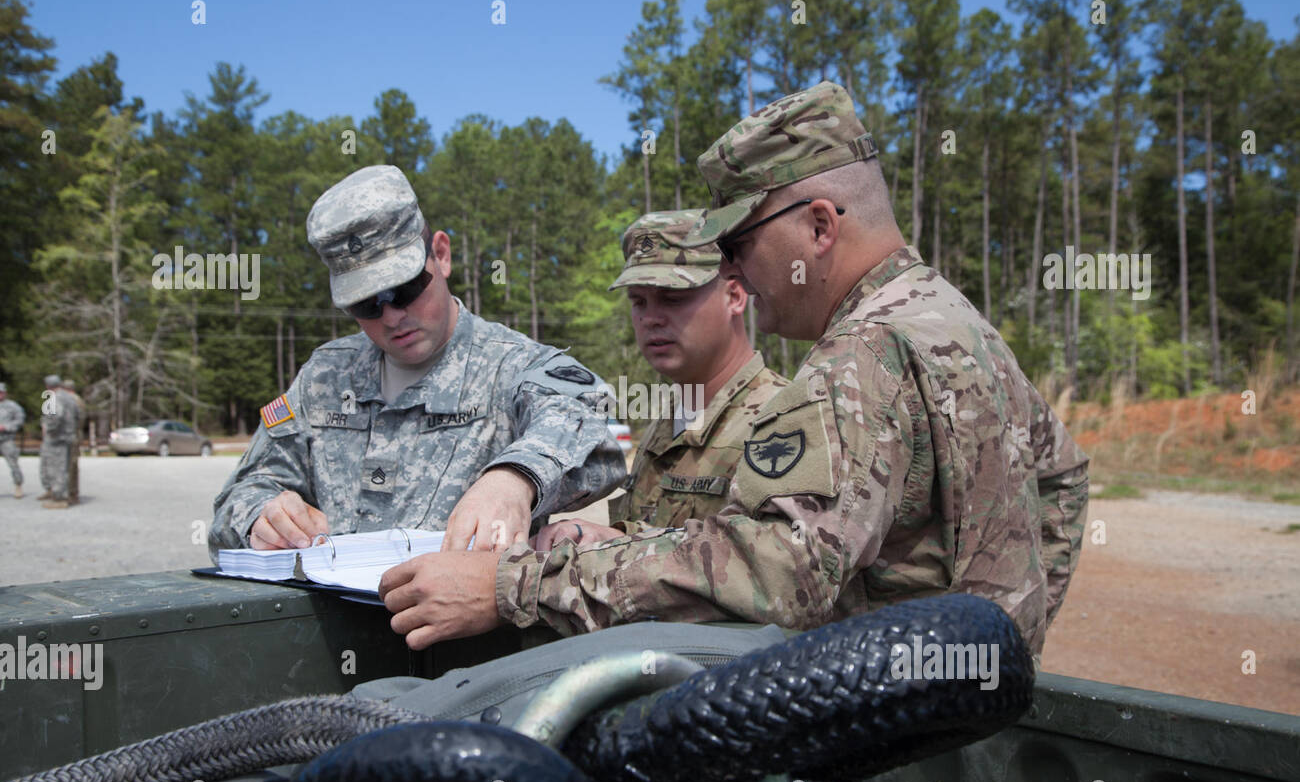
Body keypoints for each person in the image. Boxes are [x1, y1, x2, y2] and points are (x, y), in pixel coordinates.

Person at [374, 82, 1089, 658]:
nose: (735, 268)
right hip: (950, 726)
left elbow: (781, 570)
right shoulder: (951, 319)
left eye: (742, 242)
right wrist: (991, 650)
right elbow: (1061, 483)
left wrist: (512, 588)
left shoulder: (863, 354)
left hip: (886, 749)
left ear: (819, 226)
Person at [209, 165, 624, 557]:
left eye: (404, 289)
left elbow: (591, 418)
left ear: (440, 255)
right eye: (366, 303)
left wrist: (514, 479)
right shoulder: (325, 375)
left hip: (462, 628)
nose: (391, 316)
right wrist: (260, 516)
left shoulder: (512, 366)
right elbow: (240, 494)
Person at [536, 208, 785, 550]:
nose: (650, 318)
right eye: (638, 301)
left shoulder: (778, 420)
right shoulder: (668, 422)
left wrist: (622, 542)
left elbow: (770, 572)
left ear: (735, 296)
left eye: (673, 297)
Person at [39, 374, 80, 509]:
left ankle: (58, 497)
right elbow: (77, 415)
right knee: (64, 467)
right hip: (68, 436)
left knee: (56, 468)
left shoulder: (54, 398)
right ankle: (63, 494)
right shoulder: (70, 397)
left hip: (57, 438)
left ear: (48, 386)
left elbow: (56, 416)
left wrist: (49, 429)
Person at [62, 378, 85, 505]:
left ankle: (72, 493)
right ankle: (72, 492)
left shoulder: (73, 400)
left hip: (72, 436)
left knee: (71, 465)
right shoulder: (76, 399)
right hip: (74, 435)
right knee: (72, 465)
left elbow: (79, 419)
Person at [0, 382, 24, 499]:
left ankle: (18, 485)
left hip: (6, 439)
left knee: (13, 463)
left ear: (5, 393)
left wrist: (6, 426)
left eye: (1, 392)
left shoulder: (13, 406)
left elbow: (20, 420)